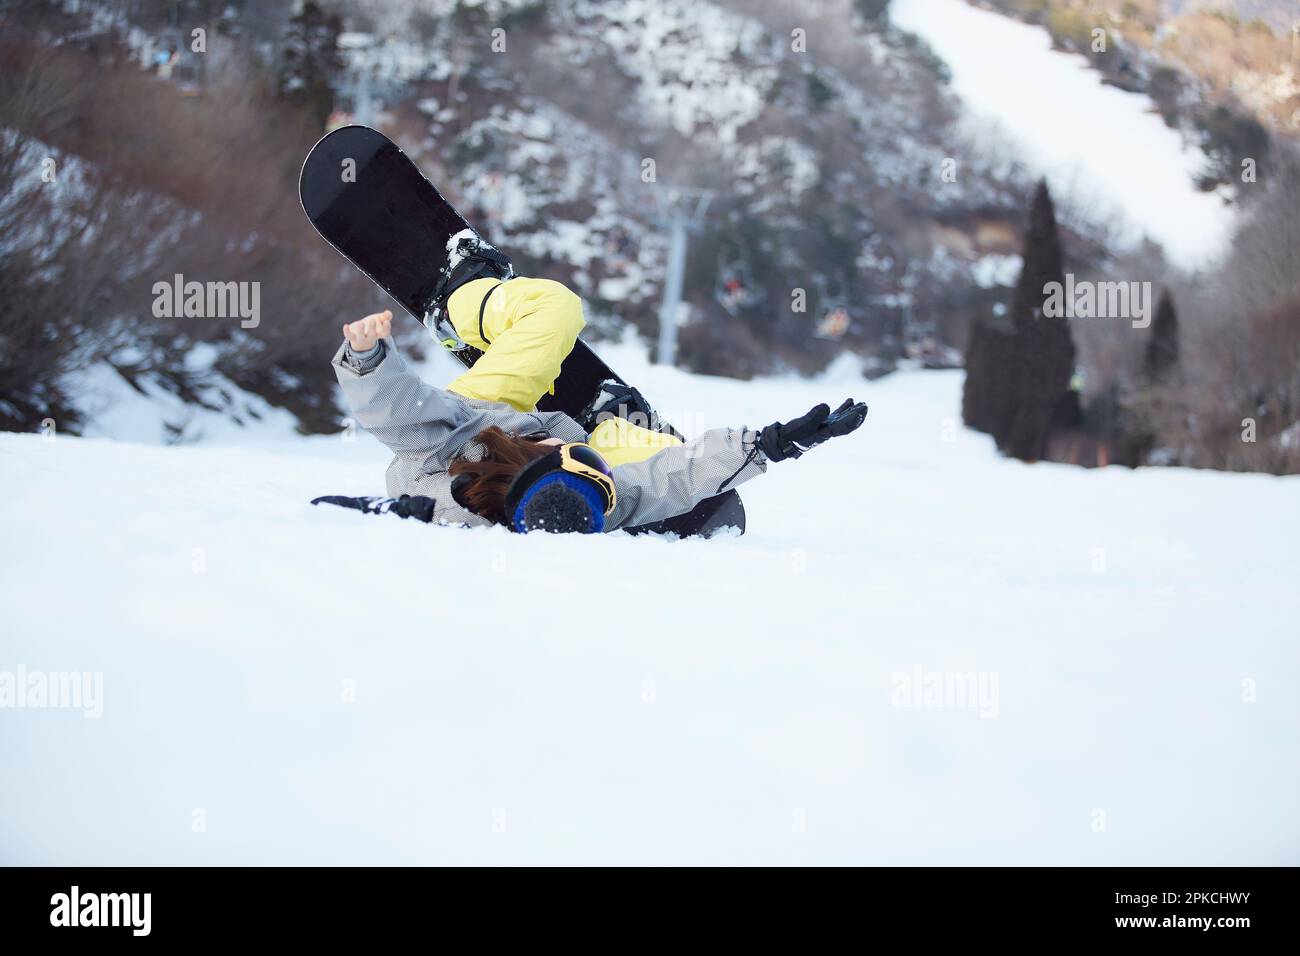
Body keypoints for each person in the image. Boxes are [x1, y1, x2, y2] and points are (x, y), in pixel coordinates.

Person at [331, 275, 867, 534]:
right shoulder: (596, 504)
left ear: (533, 462)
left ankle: (454, 304)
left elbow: (400, 411)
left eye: (570, 455)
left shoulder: (453, 451)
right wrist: (773, 444)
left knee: (555, 307)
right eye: (593, 468)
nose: (571, 449)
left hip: (484, 408)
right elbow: (667, 480)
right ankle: (610, 422)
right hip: (540, 446)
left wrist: (368, 357)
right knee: (657, 451)